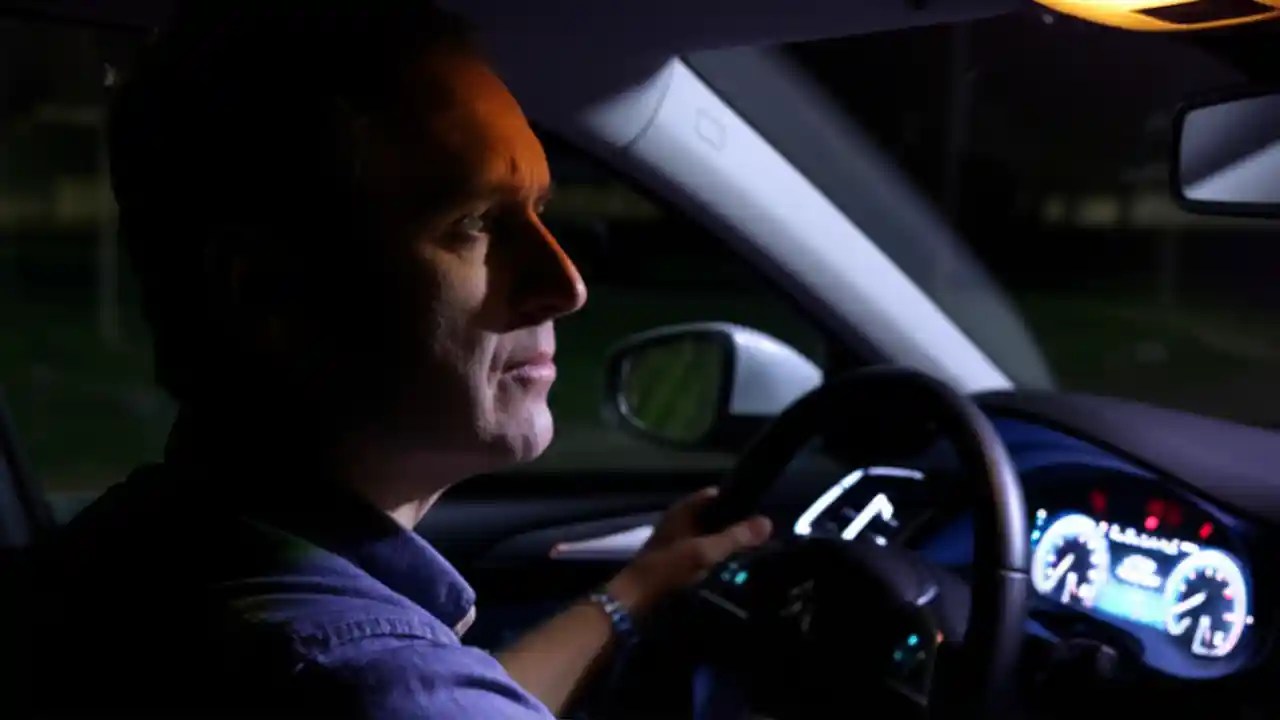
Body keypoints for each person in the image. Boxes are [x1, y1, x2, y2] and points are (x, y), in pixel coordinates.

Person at [18, 3, 772, 718]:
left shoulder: (132, 553)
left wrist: (635, 594)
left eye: (539, 213)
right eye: (475, 222)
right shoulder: (372, 684)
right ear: (265, 287)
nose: (564, 285)